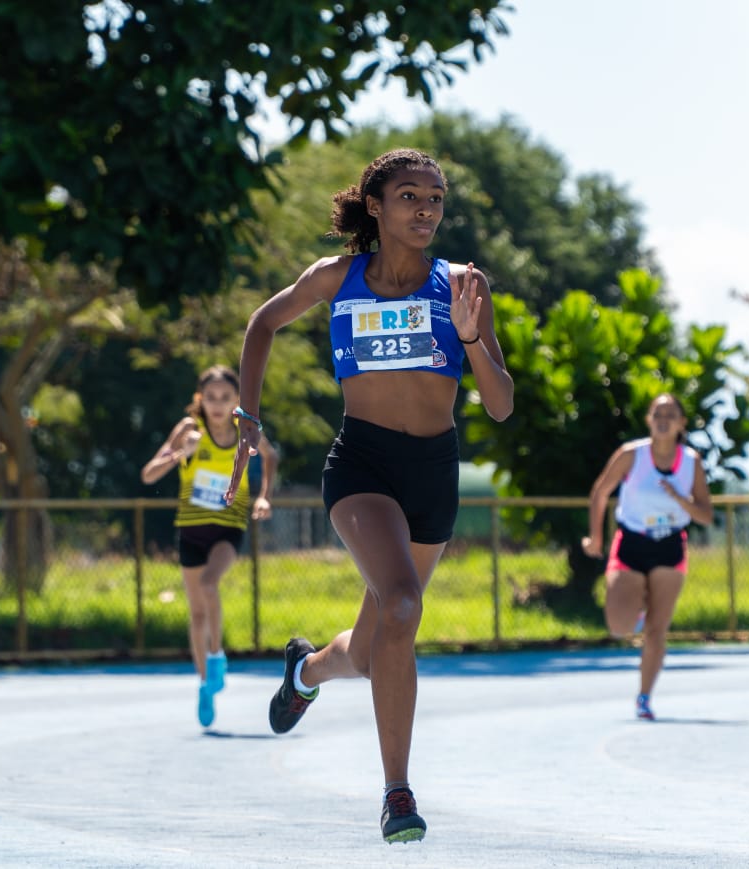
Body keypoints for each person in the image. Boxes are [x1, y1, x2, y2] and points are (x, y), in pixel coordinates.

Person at [223, 148, 513, 843]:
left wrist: (471, 338)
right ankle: (397, 791)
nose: (425, 209)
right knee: (403, 606)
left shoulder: (462, 283)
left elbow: (501, 405)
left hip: (432, 472)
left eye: (435, 198)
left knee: (371, 645)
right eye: (409, 195)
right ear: (375, 206)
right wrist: (248, 419)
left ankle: (307, 669)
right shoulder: (337, 276)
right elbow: (262, 324)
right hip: (362, 465)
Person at [141, 365, 276, 728]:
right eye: (211, 398)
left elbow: (271, 456)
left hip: (228, 527)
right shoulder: (189, 429)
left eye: (225, 398)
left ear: (236, 400)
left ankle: (216, 656)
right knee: (197, 613)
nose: (217, 405)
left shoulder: (244, 428)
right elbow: (148, 474)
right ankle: (205, 683)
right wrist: (179, 453)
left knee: (209, 582)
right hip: (190, 530)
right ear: (201, 399)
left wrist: (264, 496)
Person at [581, 393, 714, 721]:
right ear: (649, 420)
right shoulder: (632, 455)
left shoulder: (691, 462)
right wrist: (596, 537)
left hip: (669, 546)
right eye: (658, 414)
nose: (664, 420)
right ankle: (636, 605)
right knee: (619, 626)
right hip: (632, 543)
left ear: (682, 423)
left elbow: (706, 515)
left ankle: (644, 697)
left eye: (671, 414)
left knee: (657, 630)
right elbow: (600, 491)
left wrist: (680, 499)